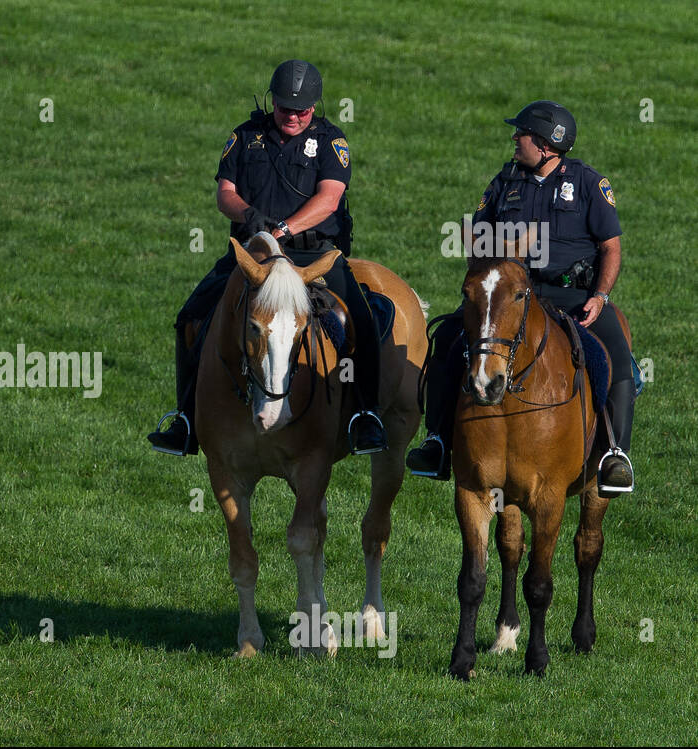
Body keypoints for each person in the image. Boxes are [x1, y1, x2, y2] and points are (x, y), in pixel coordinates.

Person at [147, 59, 386, 456]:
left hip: (312, 254)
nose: (293, 116)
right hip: (253, 254)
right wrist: (247, 214)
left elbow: (329, 199)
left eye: (301, 110)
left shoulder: (332, 141)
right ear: (272, 101)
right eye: (285, 107)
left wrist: (286, 229)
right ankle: (185, 418)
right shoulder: (245, 137)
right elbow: (225, 193)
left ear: (314, 107)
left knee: (358, 317)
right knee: (191, 317)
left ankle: (366, 415)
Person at [406, 101, 635, 493]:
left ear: (545, 144)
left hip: (572, 295)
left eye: (522, 134)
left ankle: (615, 454)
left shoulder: (588, 183)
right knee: (446, 340)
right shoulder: (505, 181)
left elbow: (610, 247)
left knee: (616, 356)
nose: (515, 138)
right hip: (509, 294)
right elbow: (479, 242)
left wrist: (599, 296)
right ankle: (438, 441)